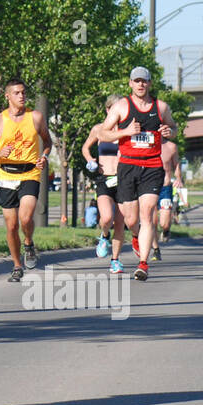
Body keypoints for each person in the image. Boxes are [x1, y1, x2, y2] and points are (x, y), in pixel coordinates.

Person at [97, 67, 175, 281]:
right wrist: (126, 132)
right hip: (128, 167)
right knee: (131, 219)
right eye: (136, 81)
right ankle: (135, 235)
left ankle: (143, 264)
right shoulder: (122, 106)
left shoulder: (161, 107)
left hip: (152, 166)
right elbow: (102, 133)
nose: (140, 84)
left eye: (144, 81)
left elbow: (174, 128)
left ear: (150, 83)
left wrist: (170, 131)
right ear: (130, 83)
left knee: (147, 214)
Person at [0, 78, 52, 282]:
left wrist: (44, 156)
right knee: (11, 225)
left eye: (23, 92)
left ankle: (28, 242)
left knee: (26, 218)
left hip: (30, 173)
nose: (22, 96)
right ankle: (17, 265)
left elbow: (47, 141)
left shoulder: (35, 117)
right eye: (17, 93)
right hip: (6, 175)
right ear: (8, 96)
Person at [81, 94, 128, 274]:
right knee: (106, 218)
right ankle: (104, 236)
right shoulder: (99, 129)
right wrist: (90, 160)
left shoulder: (126, 131)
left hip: (123, 179)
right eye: (113, 109)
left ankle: (115, 260)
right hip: (104, 178)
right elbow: (85, 147)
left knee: (120, 222)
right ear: (108, 110)